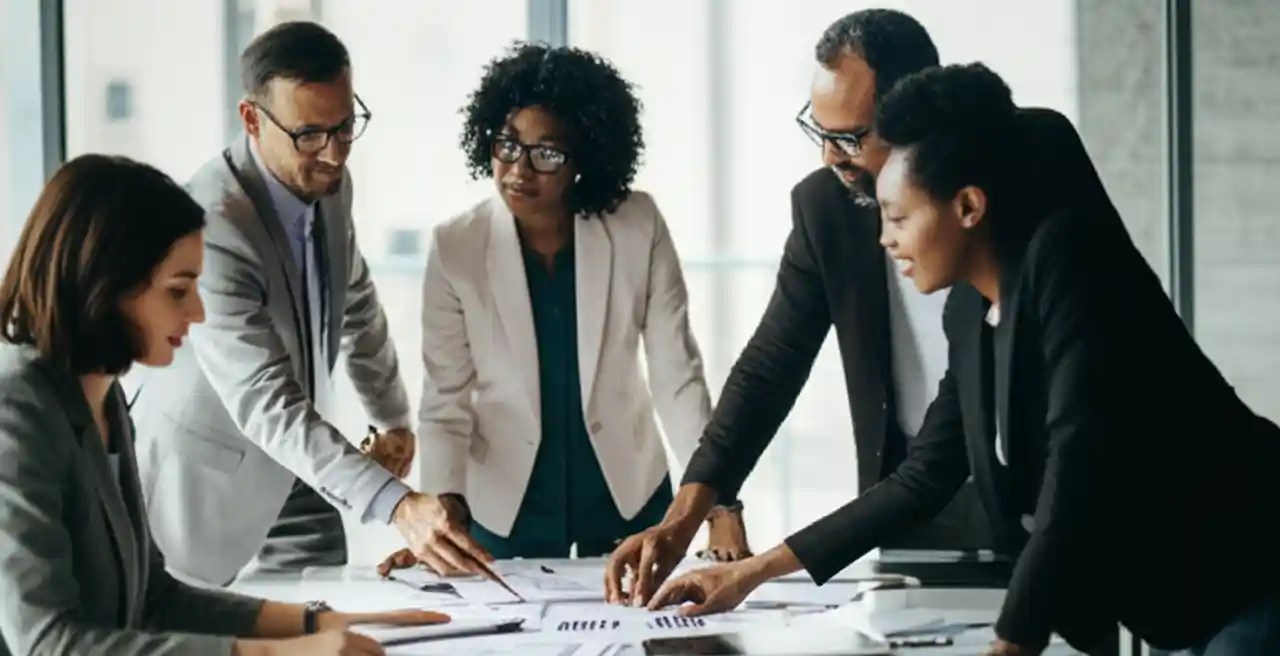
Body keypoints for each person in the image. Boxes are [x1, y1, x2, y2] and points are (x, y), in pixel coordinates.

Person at [648, 63, 1280, 656]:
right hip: (1176, 596)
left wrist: (1015, 639)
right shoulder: (971, 313)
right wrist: (748, 575)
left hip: (1247, 572)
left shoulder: (1072, 259)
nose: (884, 237)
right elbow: (925, 474)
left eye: (897, 216)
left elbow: (1080, 464)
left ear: (968, 206)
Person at [0, 155, 448, 656]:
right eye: (179, 289)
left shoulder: (104, 395)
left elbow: (153, 598)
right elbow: (53, 652)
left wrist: (318, 622)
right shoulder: (14, 411)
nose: (199, 311)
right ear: (106, 284)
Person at [606, 8, 984, 605]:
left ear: (919, 121)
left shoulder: (988, 207)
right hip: (904, 511)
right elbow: (770, 367)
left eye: (851, 137)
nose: (830, 158)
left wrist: (754, 573)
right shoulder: (827, 207)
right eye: (820, 131)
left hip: (1029, 504)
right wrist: (686, 517)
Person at [128, 21, 485, 585]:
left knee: (320, 623)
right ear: (252, 119)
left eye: (346, 128)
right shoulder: (212, 223)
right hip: (207, 477)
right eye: (311, 135)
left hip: (295, 469)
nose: (335, 155)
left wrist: (391, 417)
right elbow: (262, 398)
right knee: (202, 641)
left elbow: (356, 301)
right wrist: (398, 505)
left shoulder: (329, 182)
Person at [378, 43, 715, 572]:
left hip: (626, 492)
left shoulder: (638, 224)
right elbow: (445, 400)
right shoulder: (455, 247)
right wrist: (442, 511)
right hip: (505, 506)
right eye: (507, 145)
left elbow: (677, 376)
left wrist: (719, 501)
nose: (520, 170)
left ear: (585, 157)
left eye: (547, 154)